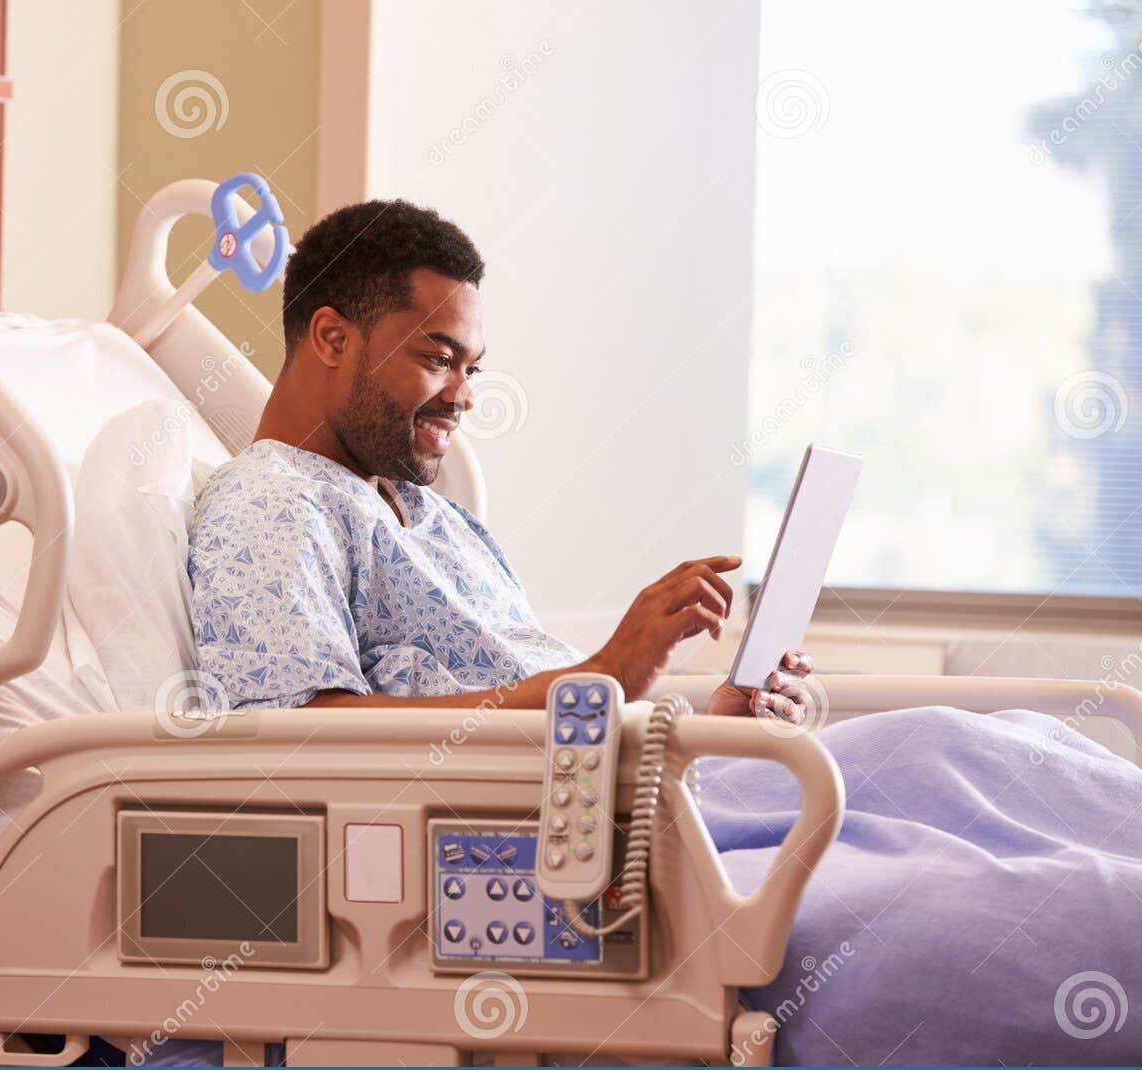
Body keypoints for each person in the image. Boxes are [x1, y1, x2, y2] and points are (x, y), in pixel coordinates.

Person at [189, 199, 810, 720]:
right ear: (333, 338)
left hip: (625, 791)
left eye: (472, 369)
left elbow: (524, 685)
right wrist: (604, 675)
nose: (464, 397)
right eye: (439, 360)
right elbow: (297, 737)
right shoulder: (272, 504)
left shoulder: (439, 517)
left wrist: (716, 723)